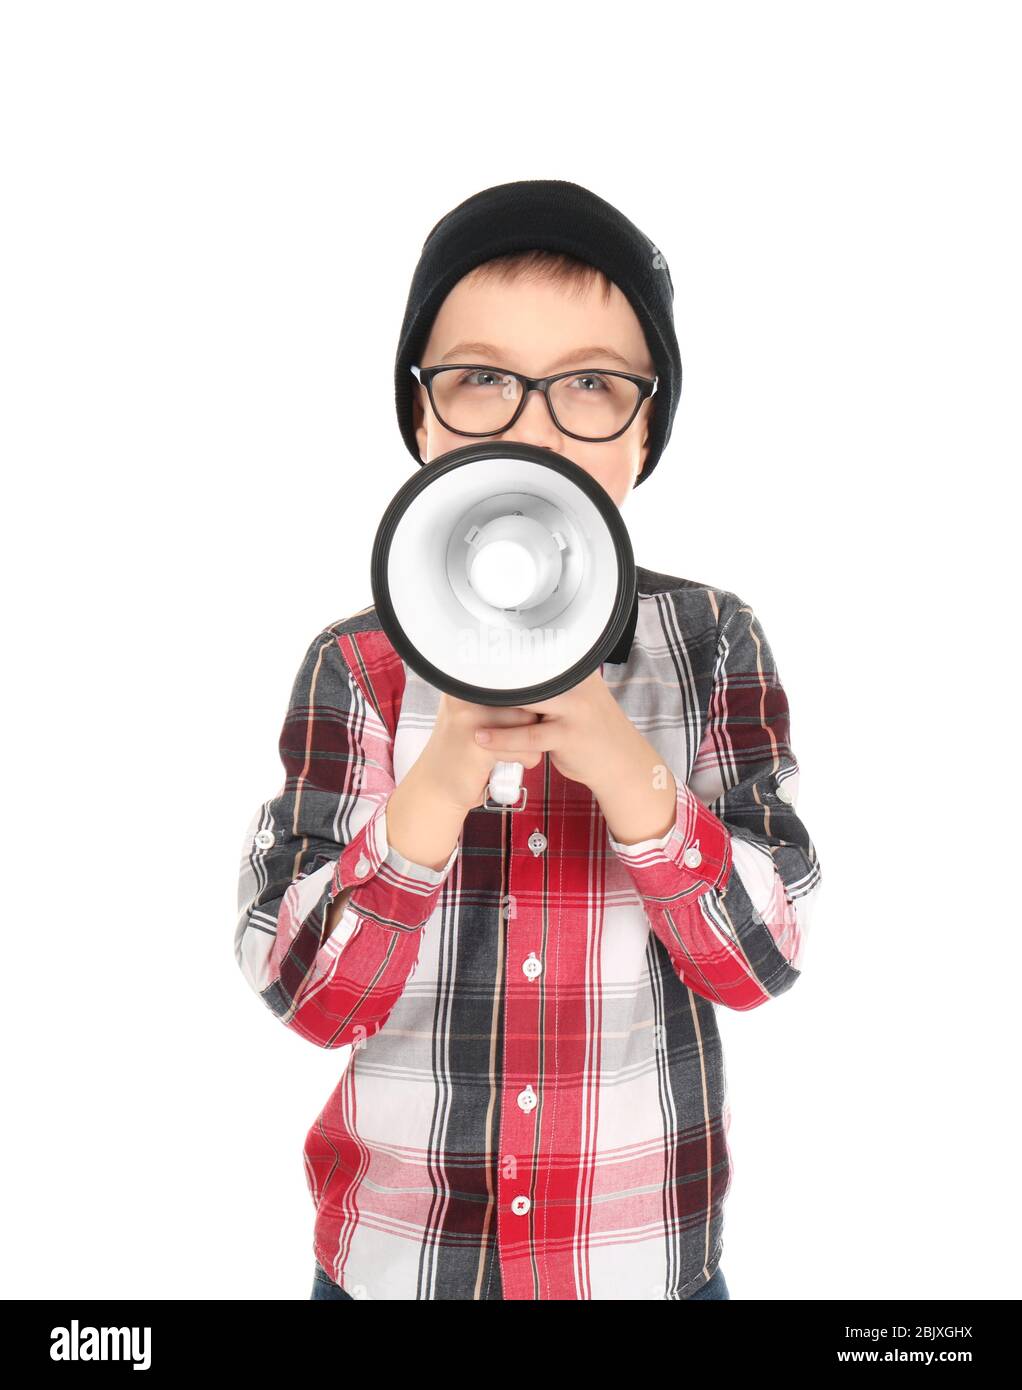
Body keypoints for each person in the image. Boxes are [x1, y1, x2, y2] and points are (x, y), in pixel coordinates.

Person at [235, 180, 823, 1301]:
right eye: (478, 380)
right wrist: (439, 778)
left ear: (645, 427)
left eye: (590, 385)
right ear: (419, 416)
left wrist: (623, 764)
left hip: (640, 1267)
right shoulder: (353, 668)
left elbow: (761, 959)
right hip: (395, 1269)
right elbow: (307, 995)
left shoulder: (709, 644)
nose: (529, 426)